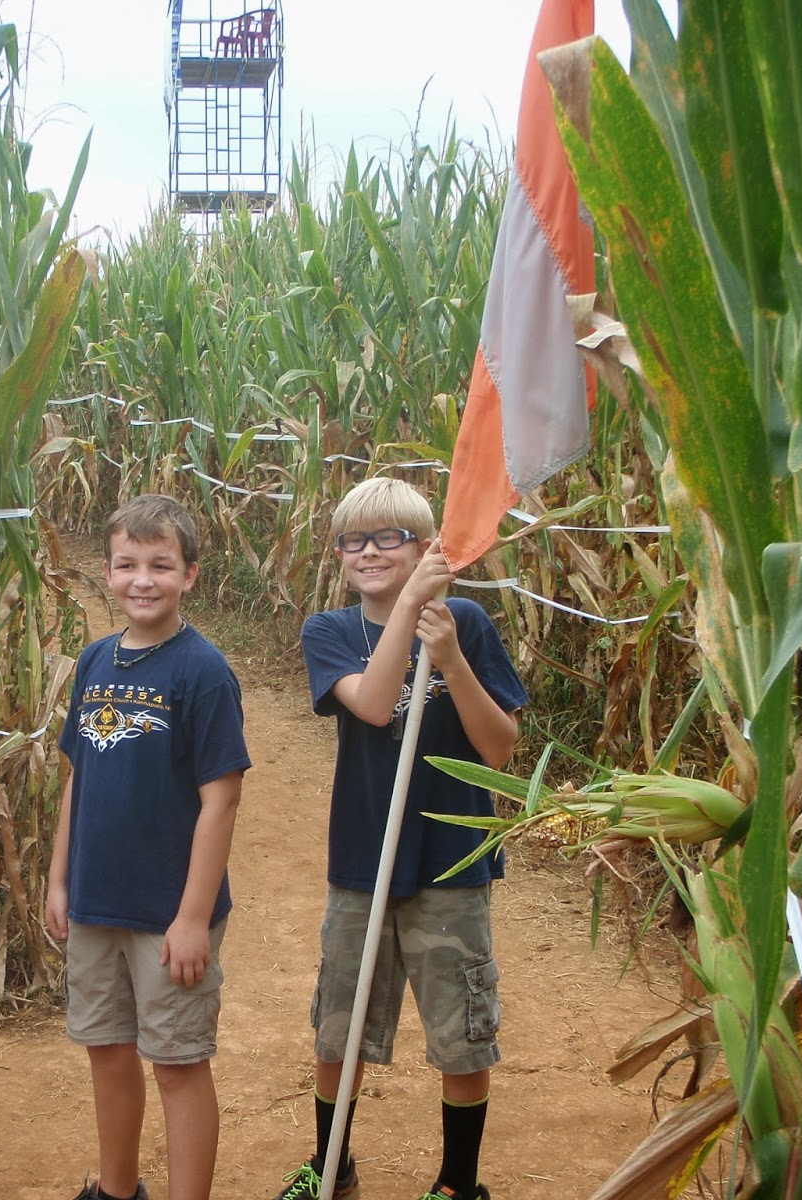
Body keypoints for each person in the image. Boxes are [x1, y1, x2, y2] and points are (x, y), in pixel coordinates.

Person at [276, 477, 527, 1200]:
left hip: (452, 861)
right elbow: (377, 704)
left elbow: (499, 747)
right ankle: (330, 1168)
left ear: (424, 547)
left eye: (389, 537)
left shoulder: (465, 623)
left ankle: (458, 1185)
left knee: (461, 1034)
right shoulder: (329, 632)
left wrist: (451, 660)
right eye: (353, 540)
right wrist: (411, 608)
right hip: (362, 860)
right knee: (339, 1026)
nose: (369, 551)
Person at [45, 494, 250, 1200]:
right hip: (96, 898)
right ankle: (117, 1188)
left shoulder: (204, 672)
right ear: (106, 571)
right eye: (127, 564)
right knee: (106, 1049)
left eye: (160, 565)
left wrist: (192, 918)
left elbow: (221, 800)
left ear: (189, 575)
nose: (142, 579)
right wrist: (59, 880)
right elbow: (78, 776)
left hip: (168, 912)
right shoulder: (94, 661)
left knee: (178, 1064)